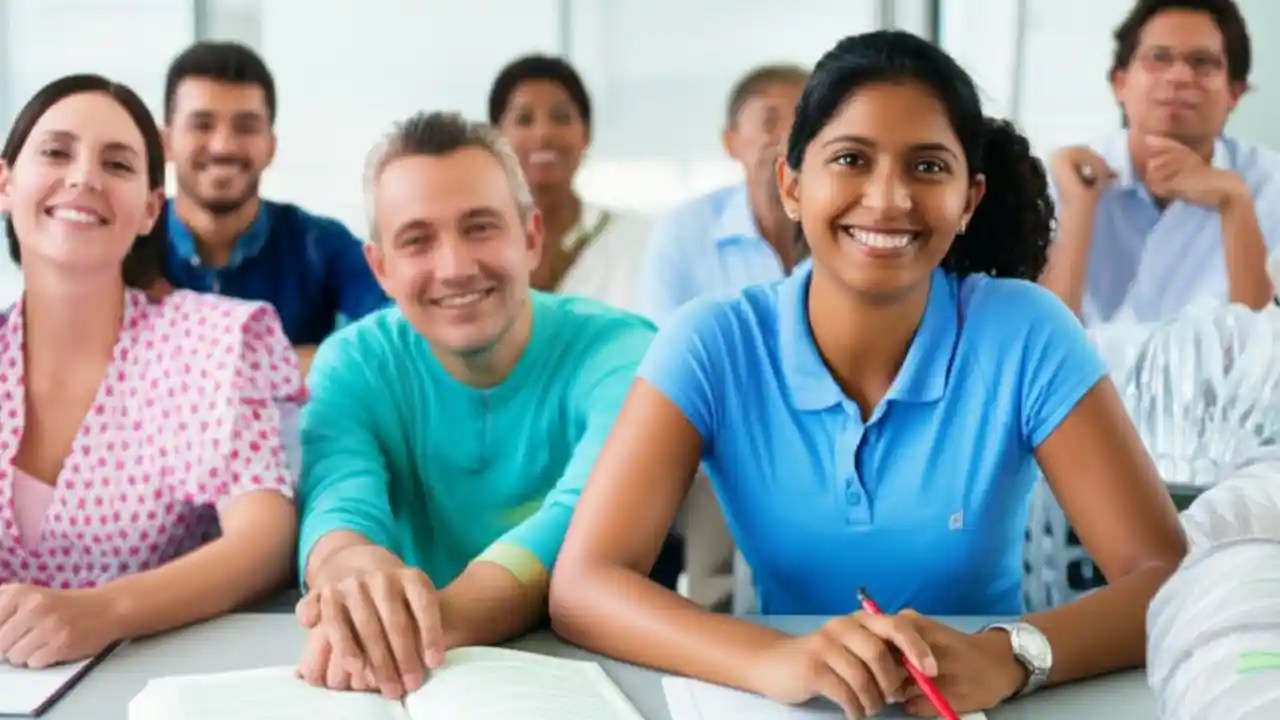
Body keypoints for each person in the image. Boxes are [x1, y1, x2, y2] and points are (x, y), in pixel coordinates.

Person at [549, 30, 1187, 718]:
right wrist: (772, 659)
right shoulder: (714, 341)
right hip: (788, 703)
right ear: (792, 185)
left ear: (969, 199)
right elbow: (585, 583)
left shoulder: (1025, 332)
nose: (888, 199)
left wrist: (1010, 654)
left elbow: (1168, 578)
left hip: (984, 705)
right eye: (851, 159)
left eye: (928, 168)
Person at [291, 112, 653, 699]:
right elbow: (339, 501)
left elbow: (583, 522)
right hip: (415, 681)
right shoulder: (352, 363)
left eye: (480, 228)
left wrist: (429, 624)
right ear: (380, 268)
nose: (455, 266)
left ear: (531, 238)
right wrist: (347, 576)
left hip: (584, 671)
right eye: (417, 240)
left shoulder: (624, 353)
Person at [0, 75, 302, 668]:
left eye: (116, 163)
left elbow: (264, 539)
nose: (84, 177)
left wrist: (101, 612)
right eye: (56, 152)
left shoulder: (211, 342)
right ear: (6, 183)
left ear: (148, 209)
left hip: (157, 683)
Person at [1041, 0, 1280, 325]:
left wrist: (1235, 202)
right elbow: (1045, 340)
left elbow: (1260, 354)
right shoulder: (1067, 175)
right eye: (1159, 58)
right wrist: (1079, 207)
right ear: (1119, 83)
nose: (1180, 76)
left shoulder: (1269, 183)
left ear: (1234, 93)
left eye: (1202, 62)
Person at [161, 41, 387, 372]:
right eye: (202, 124)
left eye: (246, 126)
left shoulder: (319, 245)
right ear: (166, 142)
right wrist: (292, 365)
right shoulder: (129, 245)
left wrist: (218, 369)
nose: (223, 145)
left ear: (271, 146)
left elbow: (398, 335)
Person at [638, 63, 808, 325]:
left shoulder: (849, 226)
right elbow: (657, 343)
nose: (789, 138)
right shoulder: (684, 230)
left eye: (804, 123)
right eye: (769, 122)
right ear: (730, 142)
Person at [489, 54, 652, 315]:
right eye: (524, 120)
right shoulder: (476, 245)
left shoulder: (637, 240)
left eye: (562, 118)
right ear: (496, 138)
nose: (544, 134)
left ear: (586, 135)